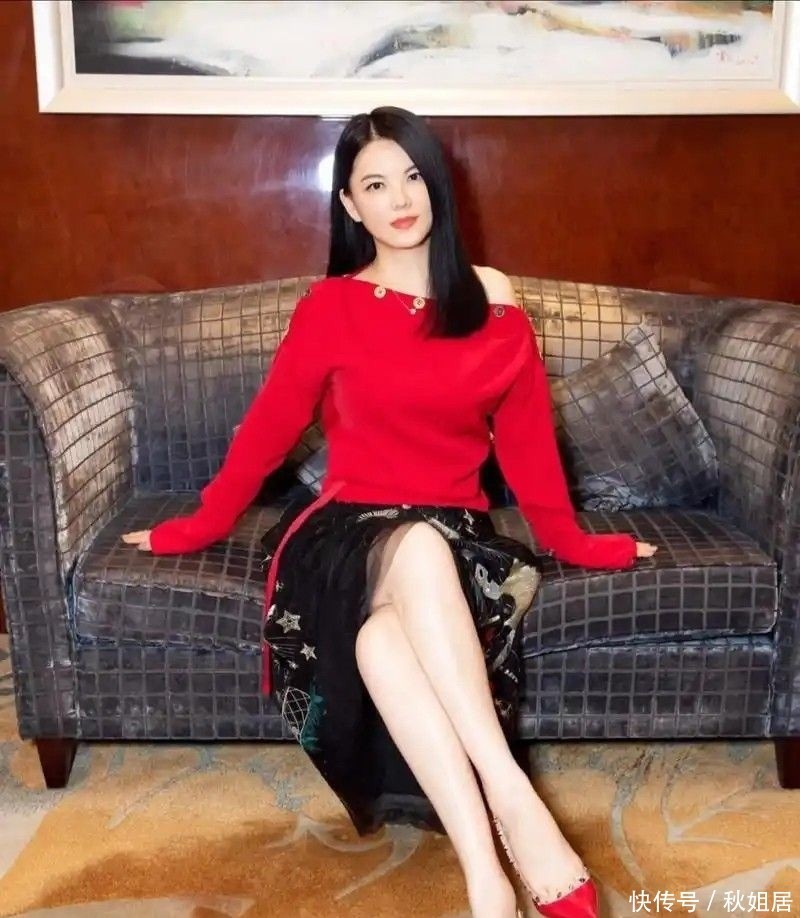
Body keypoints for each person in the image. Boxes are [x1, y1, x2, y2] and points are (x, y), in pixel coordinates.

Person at [123, 105, 658, 918]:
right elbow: (266, 434)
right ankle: (514, 796)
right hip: (345, 535)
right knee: (412, 548)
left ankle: (486, 878)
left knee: (385, 639)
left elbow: (528, 450)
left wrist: (582, 544)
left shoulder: (492, 299)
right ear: (349, 205)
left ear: (437, 183)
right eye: (375, 185)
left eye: (412, 176)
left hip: (454, 535)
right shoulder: (331, 306)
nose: (400, 198)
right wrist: (193, 527)